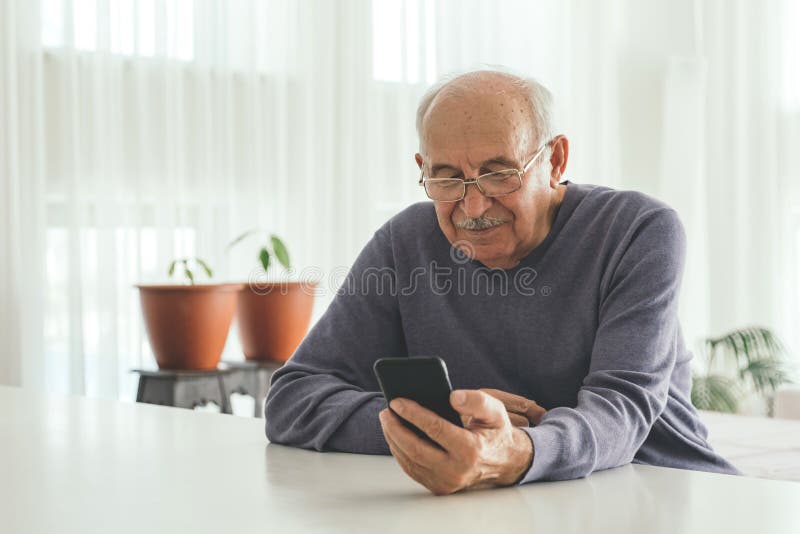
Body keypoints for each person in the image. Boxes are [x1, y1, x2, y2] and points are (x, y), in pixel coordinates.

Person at [265, 69, 739, 495]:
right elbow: (292, 399)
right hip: (493, 510)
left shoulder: (637, 230)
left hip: (661, 491)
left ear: (555, 161)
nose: (472, 208)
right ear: (423, 170)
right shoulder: (405, 242)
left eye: (498, 174)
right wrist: (444, 428)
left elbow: (621, 410)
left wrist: (515, 452)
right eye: (447, 179)